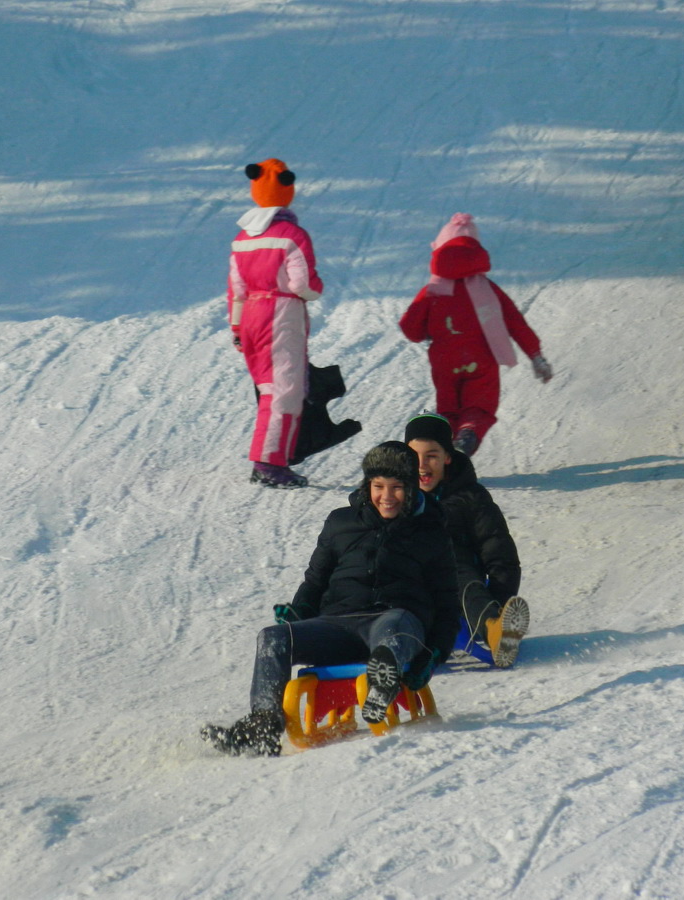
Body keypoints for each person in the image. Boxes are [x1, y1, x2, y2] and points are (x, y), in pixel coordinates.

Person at [202, 441, 459, 756]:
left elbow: (447, 602)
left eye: (397, 488)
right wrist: (297, 613)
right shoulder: (341, 523)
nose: (387, 497)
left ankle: (382, 684)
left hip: (396, 618)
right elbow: (315, 581)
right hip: (337, 624)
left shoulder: (431, 532)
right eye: (379, 486)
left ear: (410, 487)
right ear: (368, 486)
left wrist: (433, 656)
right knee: (273, 638)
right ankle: (264, 723)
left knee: (393, 630)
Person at [399, 213, 554, 455]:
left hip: (445, 361)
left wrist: (427, 333)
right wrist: (536, 355)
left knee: (448, 409)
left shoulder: (433, 291)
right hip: (481, 359)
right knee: (479, 406)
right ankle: (469, 433)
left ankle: (445, 452)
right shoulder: (488, 290)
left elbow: (410, 327)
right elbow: (516, 322)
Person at [404, 412, 530, 667]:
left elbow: (499, 553)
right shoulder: (391, 494)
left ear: (447, 457)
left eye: (431, 456)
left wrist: (497, 603)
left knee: (454, 569)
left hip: (454, 584)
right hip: (401, 585)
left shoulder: (471, 498)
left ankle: (495, 631)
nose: (422, 466)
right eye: (414, 456)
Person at [227, 158, 323, 488]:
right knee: (284, 389)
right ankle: (269, 462)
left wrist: (237, 328)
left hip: (251, 315)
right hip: (280, 314)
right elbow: (302, 285)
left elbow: (236, 289)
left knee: (268, 387)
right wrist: (316, 288)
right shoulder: (292, 235)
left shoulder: (241, 239)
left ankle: (269, 457)